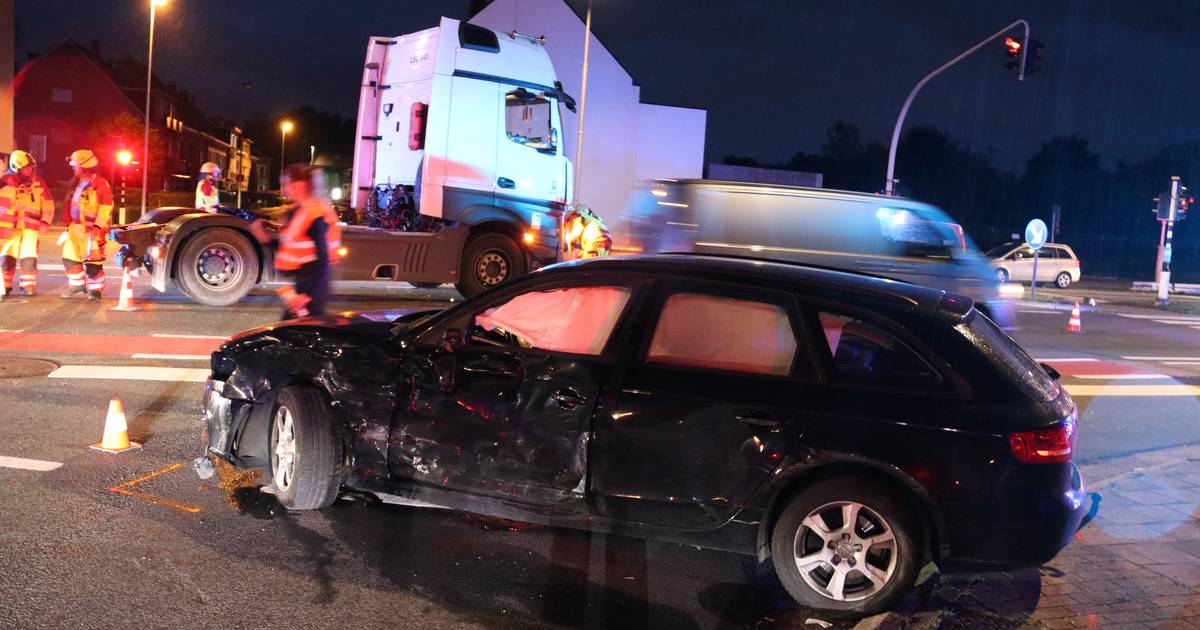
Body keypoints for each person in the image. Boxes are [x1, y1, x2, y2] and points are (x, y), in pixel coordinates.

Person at [249, 164, 342, 320]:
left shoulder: (314, 214)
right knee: (296, 332)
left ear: (301, 184)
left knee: (291, 331)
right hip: (306, 284)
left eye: (286, 184)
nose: (284, 190)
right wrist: (264, 238)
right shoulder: (301, 211)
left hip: (312, 287)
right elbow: (290, 247)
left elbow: (323, 259)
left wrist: (307, 296)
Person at [60, 149, 113, 300]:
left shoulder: (100, 184)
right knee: (69, 258)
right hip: (75, 228)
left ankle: (95, 290)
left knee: (92, 261)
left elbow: (106, 207)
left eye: (75, 166)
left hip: (92, 230)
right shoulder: (76, 183)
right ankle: (77, 286)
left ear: (85, 166)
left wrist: (97, 227)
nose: (73, 168)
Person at [0, 150, 54, 297]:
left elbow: (48, 203)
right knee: (7, 256)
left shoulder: (38, 182)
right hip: (9, 228)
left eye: (31, 167)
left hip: (31, 227)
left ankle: (28, 285)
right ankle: (5, 285)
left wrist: (45, 221)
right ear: (16, 167)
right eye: (26, 167)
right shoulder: (5, 181)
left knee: (29, 256)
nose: (30, 170)